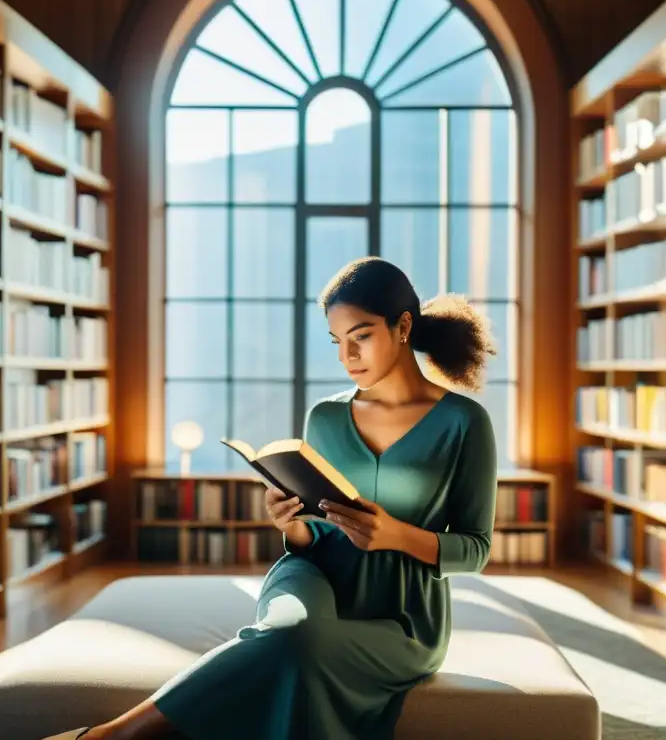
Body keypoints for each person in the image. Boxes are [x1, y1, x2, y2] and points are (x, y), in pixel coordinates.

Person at [45, 256, 499, 740]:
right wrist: (292, 526)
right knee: (292, 633)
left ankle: (108, 736)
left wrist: (395, 535)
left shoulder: (465, 423)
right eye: (336, 342)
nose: (347, 356)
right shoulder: (325, 417)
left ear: (403, 325)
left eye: (361, 336)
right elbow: (313, 531)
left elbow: (476, 549)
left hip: (404, 615)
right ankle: (113, 736)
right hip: (313, 576)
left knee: (299, 649)